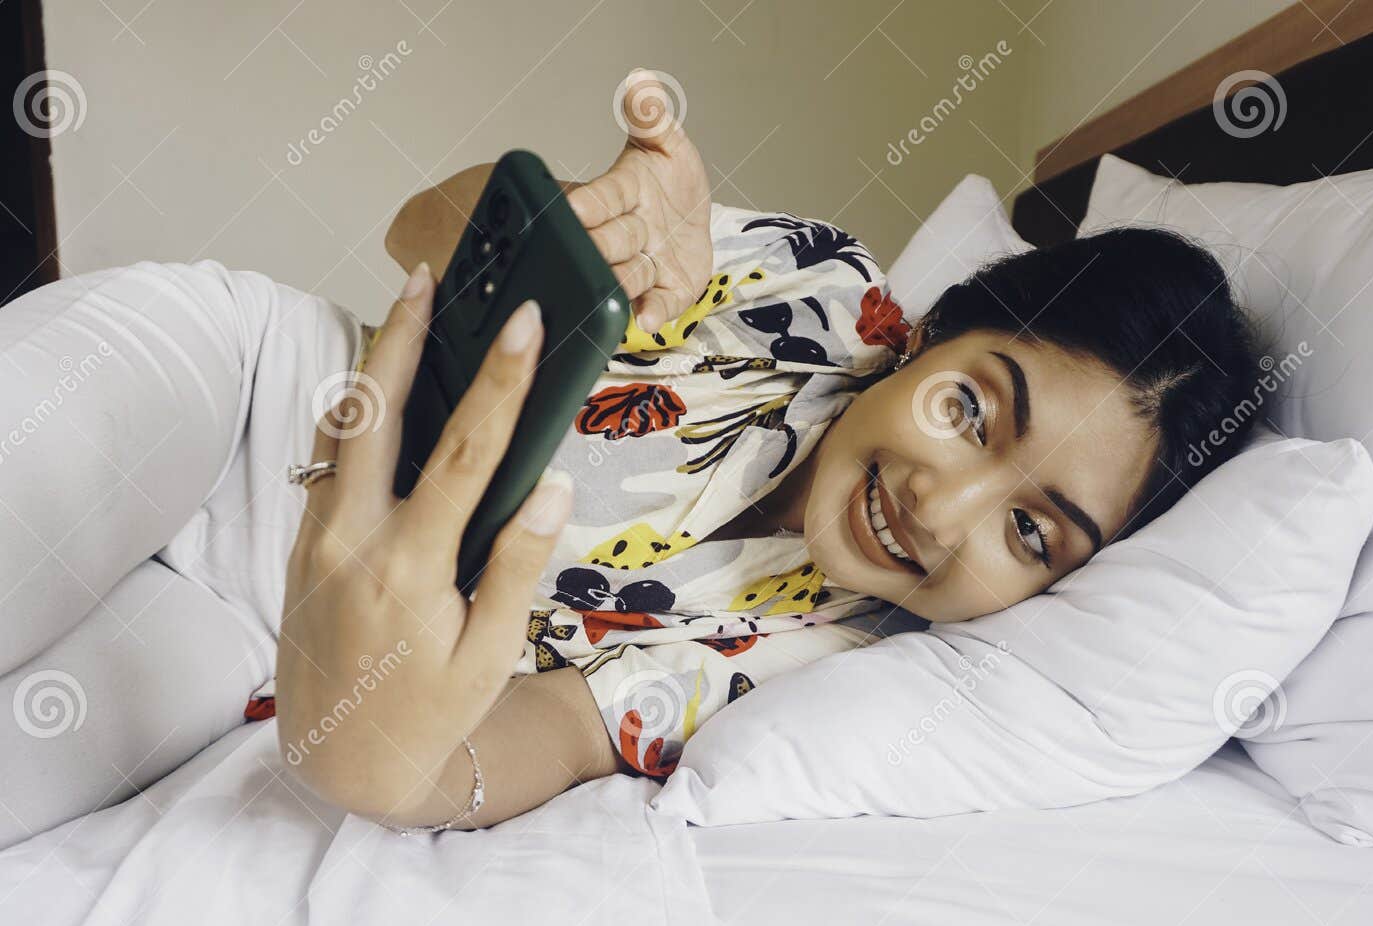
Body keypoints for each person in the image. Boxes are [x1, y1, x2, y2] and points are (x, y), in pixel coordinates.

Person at [0, 73, 1260, 846]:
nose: (946, 506)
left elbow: (545, 735)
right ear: (928, 337)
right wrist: (574, 217)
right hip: (238, 400)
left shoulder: (833, 664)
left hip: (252, 641)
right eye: (975, 411)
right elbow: (418, 232)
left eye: (1032, 531)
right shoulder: (819, 285)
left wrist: (394, 766)